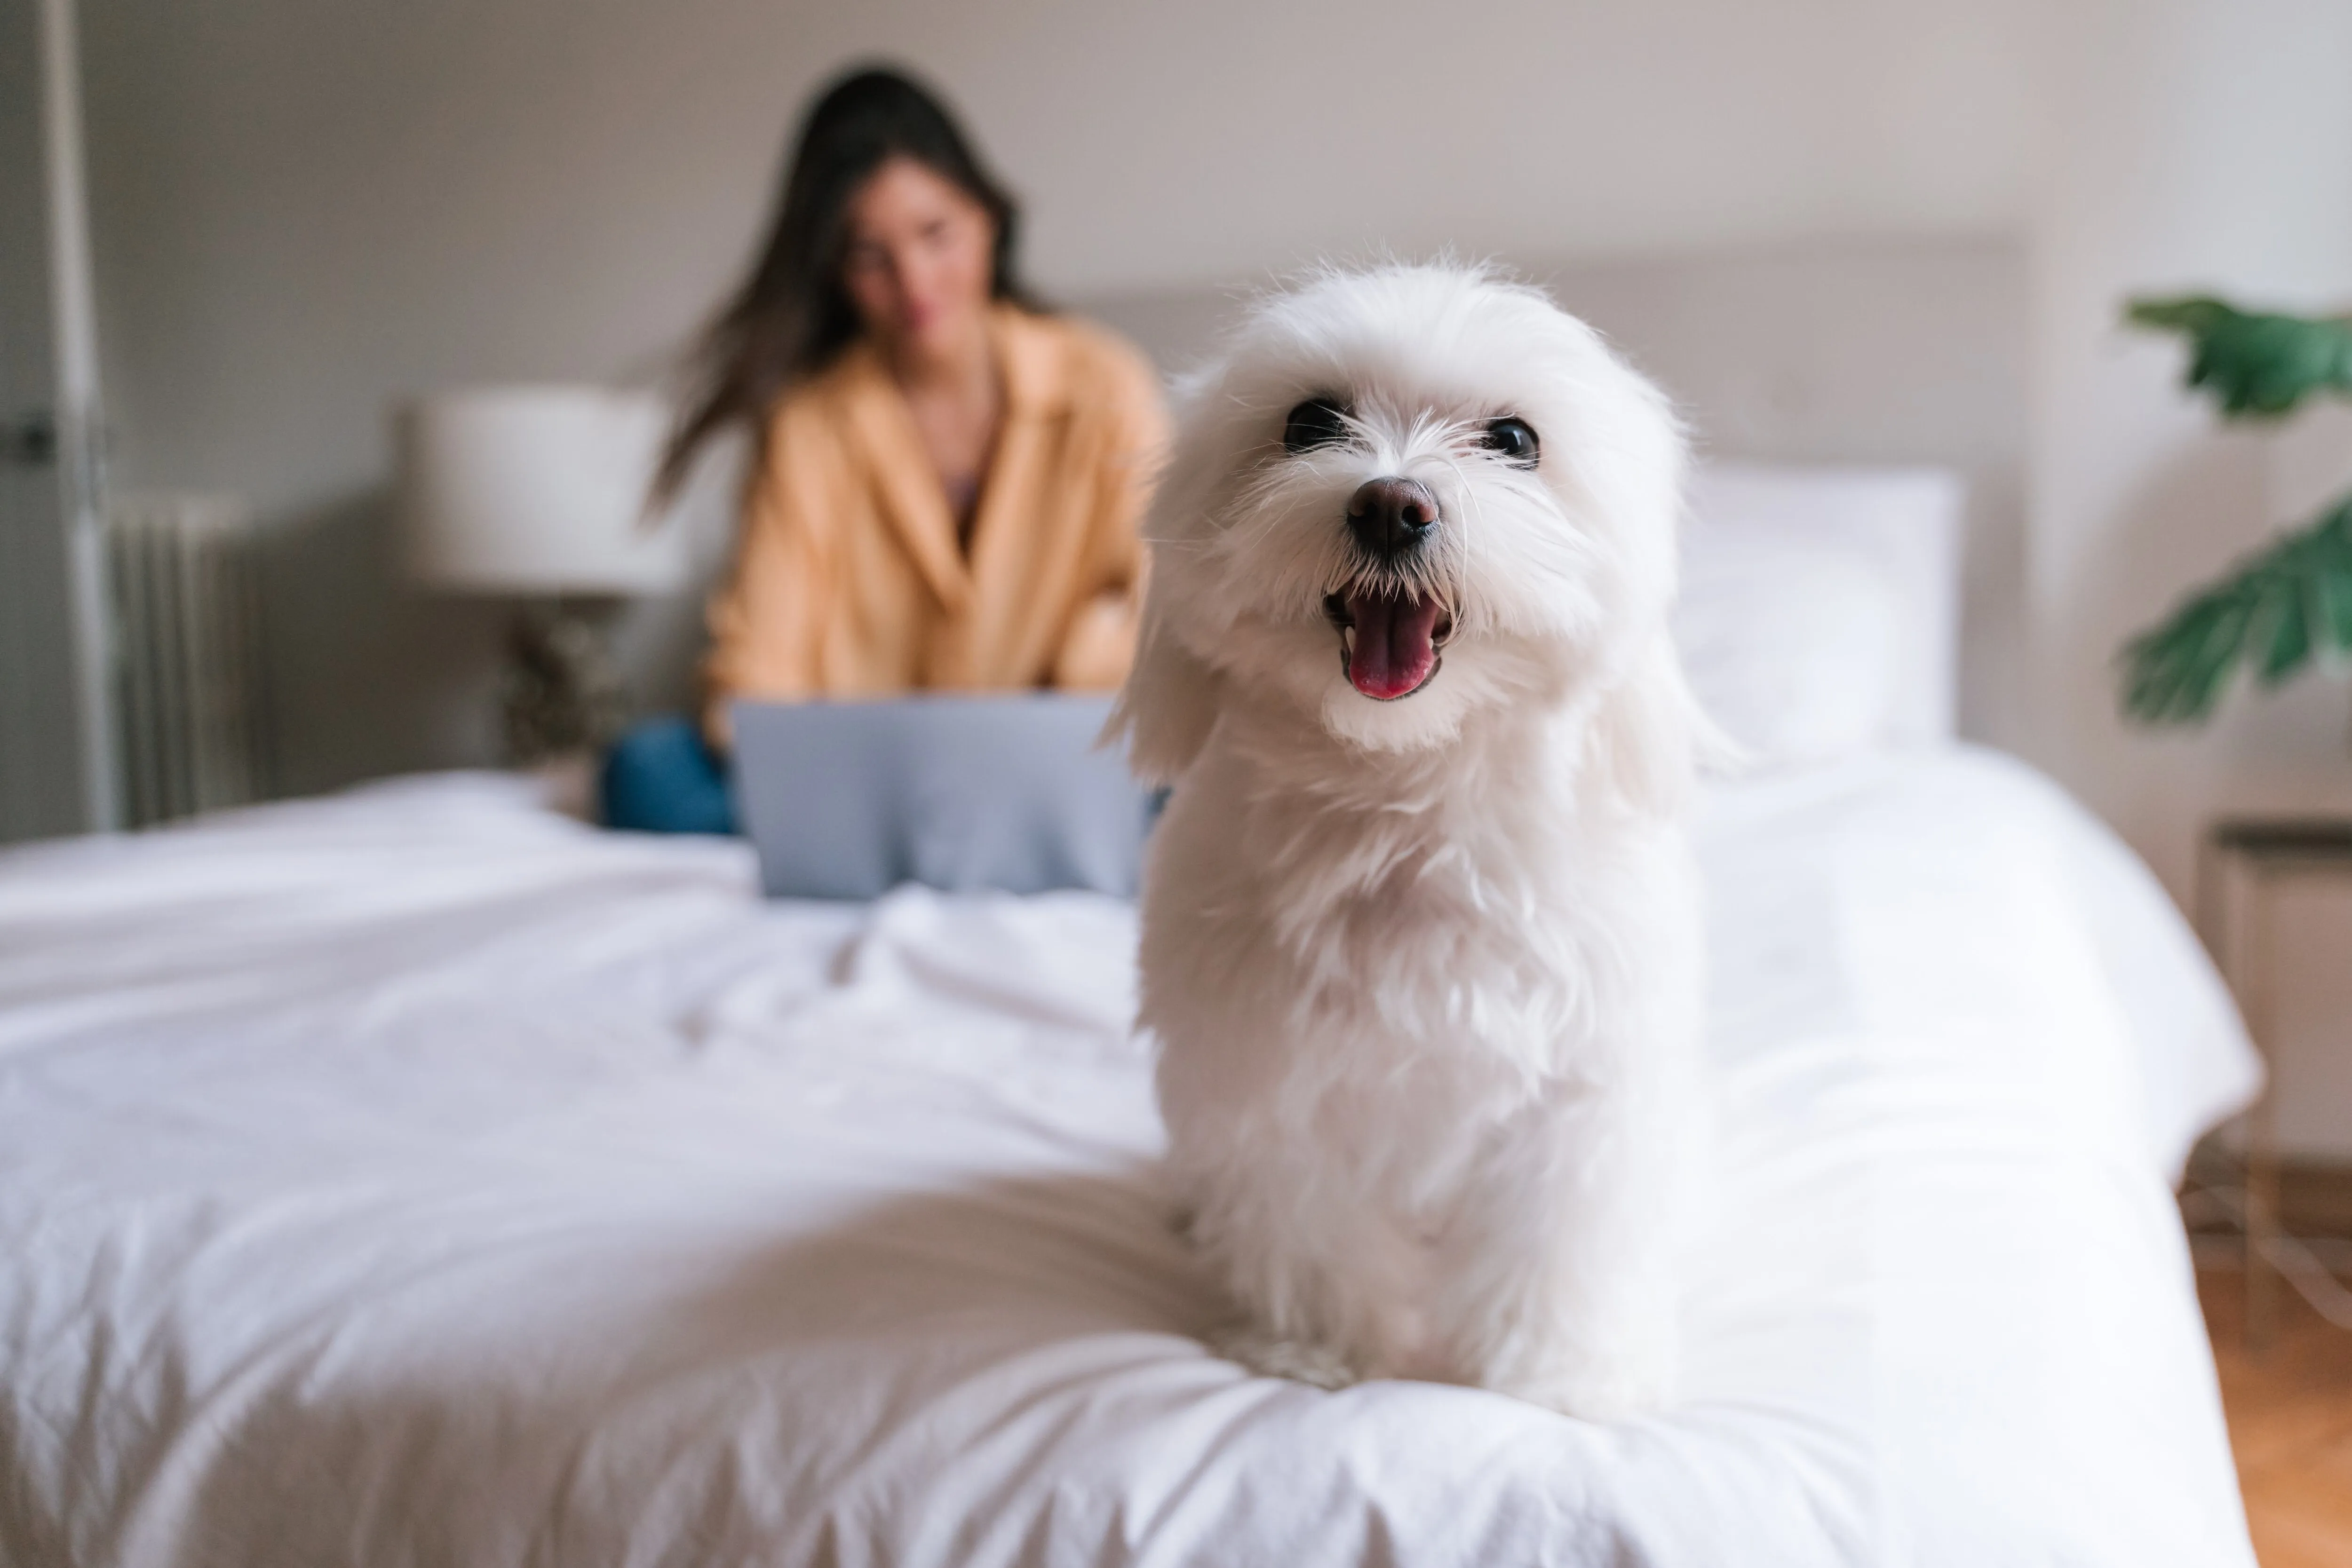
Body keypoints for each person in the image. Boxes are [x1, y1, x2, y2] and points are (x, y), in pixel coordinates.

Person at [602, 66, 1169, 834]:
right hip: (872, 784)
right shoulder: (809, 423)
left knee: (1218, 771)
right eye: (871, 256)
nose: (914, 282)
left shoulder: (1105, 384)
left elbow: (1169, 619)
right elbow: (757, 676)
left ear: (989, 218)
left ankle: (921, 836)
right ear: (836, 272)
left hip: (1061, 761)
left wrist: (1069, 679)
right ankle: (912, 835)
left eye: (937, 235)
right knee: (642, 773)